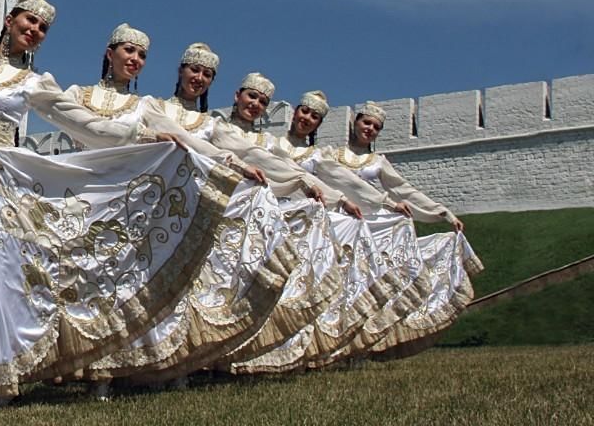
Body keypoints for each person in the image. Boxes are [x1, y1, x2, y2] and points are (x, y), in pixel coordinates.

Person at [0, 0, 248, 412]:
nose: (34, 31)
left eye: (42, 28)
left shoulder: (33, 82)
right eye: (29, 21)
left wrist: (147, 137)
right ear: (9, 20)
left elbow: (84, 122)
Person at [62, 27, 293, 393]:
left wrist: (249, 169)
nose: (198, 79)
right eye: (194, 71)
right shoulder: (133, 103)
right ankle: (80, 366)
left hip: (157, 205)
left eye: (206, 75)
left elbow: (214, 149)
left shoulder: (184, 117)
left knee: (148, 285)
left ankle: (160, 366)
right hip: (88, 193)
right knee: (88, 282)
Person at [233, 91, 394, 374]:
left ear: (319, 124)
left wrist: (374, 202)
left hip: (301, 224)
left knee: (294, 286)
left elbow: (337, 180)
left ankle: (291, 353)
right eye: (304, 112)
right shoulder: (272, 143)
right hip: (267, 216)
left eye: (315, 116)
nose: (307, 119)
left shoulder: (316, 155)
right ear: (295, 112)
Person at [326, 102, 483, 361]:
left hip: (374, 227)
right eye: (367, 123)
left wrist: (442, 212)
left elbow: (405, 190)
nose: (370, 129)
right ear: (354, 122)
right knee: (338, 284)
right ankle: (329, 346)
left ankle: (361, 347)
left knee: (367, 285)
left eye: (376, 127)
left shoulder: (378, 162)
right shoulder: (332, 155)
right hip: (340, 223)